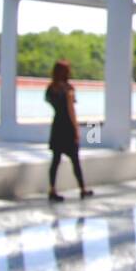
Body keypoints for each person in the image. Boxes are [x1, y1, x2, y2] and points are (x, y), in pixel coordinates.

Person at [45, 60, 92, 201]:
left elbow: (52, 103)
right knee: (75, 160)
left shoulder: (51, 88)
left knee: (55, 160)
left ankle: (52, 189)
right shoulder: (68, 89)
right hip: (67, 126)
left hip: (57, 124)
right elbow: (71, 111)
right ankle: (82, 188)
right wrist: (76, 129)